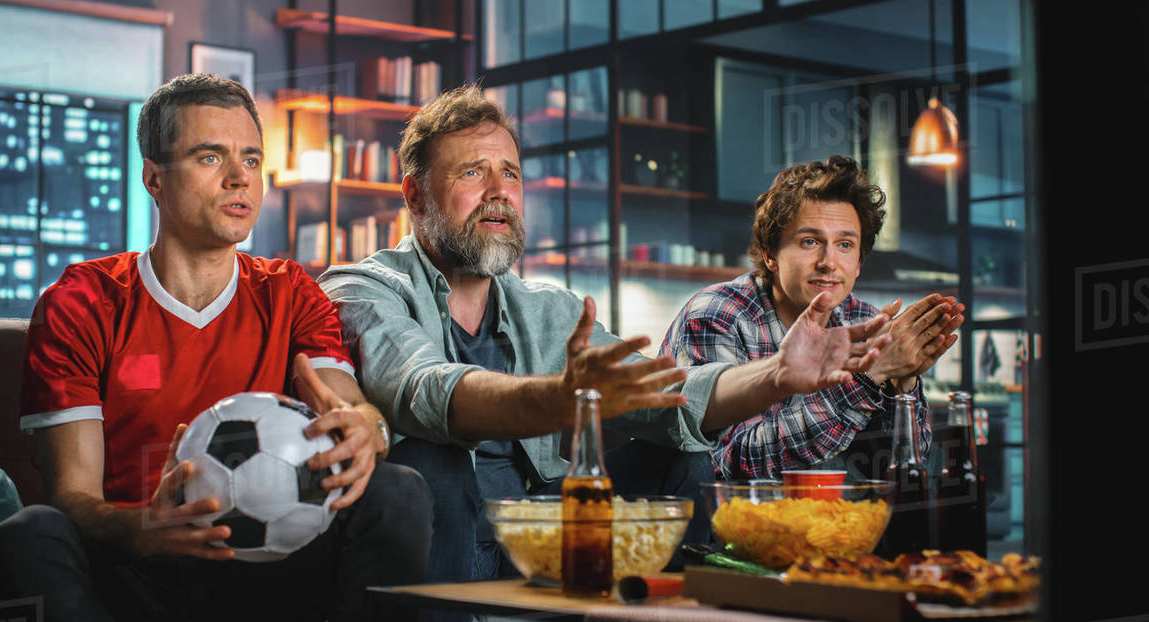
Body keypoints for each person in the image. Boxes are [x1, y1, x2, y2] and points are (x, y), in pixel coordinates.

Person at [317, 85, 894, 589]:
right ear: (415, 194)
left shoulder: (551, 309)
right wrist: (563, 398)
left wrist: (777, 376)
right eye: (472, 172)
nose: (499, 191)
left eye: (510, 173)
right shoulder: (361, 289)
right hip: (442, 534)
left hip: (540, 531)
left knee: (681, 459)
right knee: (431, 461)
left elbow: (669, 394)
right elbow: (425, 388)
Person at [0, 74, 432, 622]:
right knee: (23, 536)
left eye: (251, 159)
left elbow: (347, 404)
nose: (239, 177)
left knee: (399, 490)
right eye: (210, 157)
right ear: (154, 179)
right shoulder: (82, 300)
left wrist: (364, 429)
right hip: (135, 568)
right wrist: (143, 527)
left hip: (271, 569)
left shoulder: (292, 291)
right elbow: (73, 497)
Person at [660, 155, 964, 480]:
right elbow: (733, 464)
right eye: (810, 241)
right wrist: (868, 377)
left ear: (859, 263)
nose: (829, 262)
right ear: (771, 254)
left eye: (845, 244)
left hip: (834, 509)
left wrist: (901, 383)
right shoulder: (718, 315)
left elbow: (902, 468)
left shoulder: (863, 320)